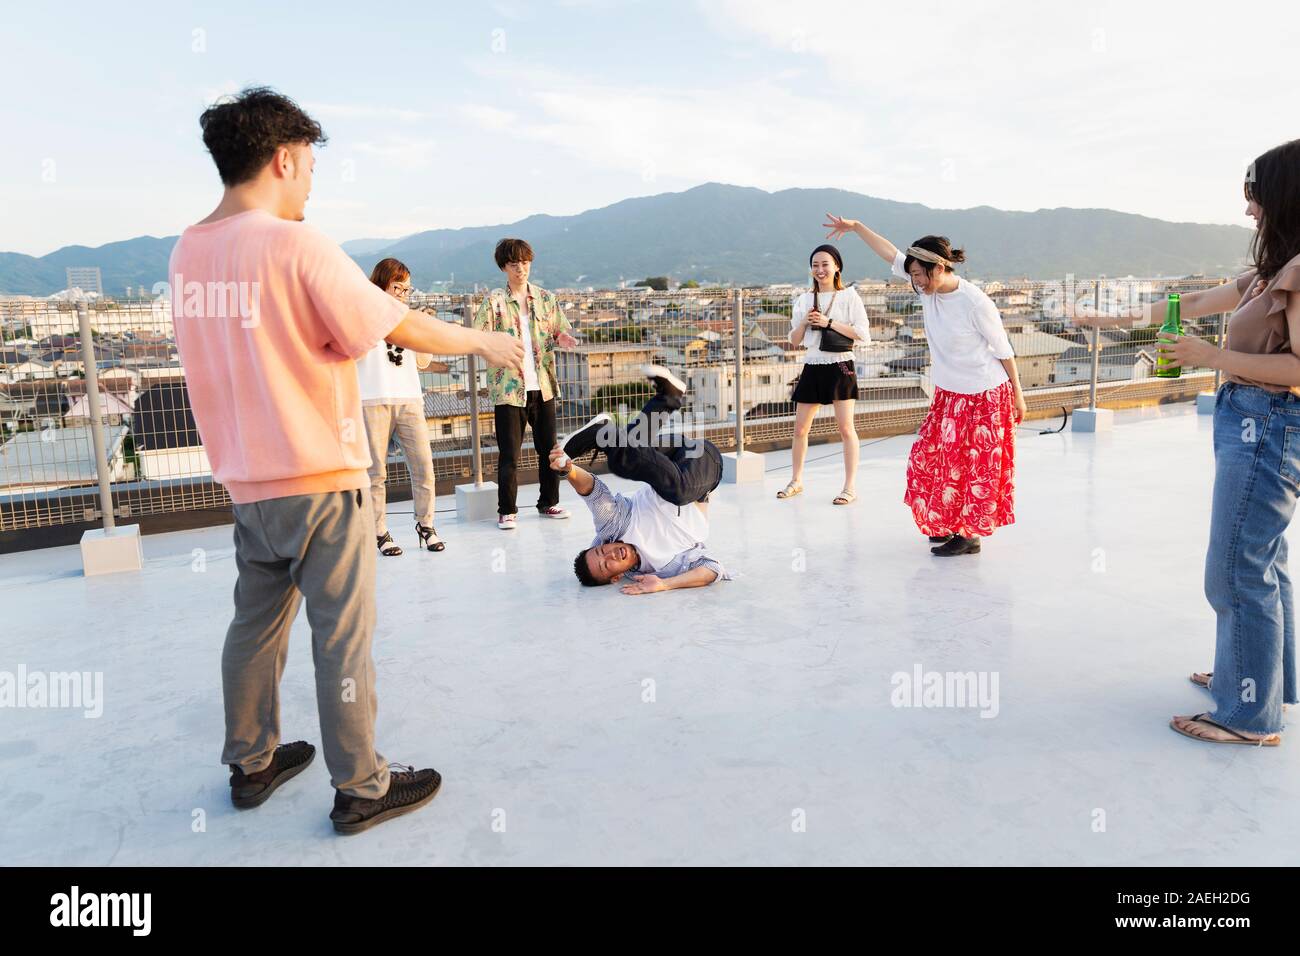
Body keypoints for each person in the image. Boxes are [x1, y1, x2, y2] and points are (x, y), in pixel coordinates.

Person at [169, 87, 523, 833]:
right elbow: (392, 323)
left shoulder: (187, 252)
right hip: (322, 481)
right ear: (283, 157)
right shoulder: (293, 243)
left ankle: (253, 761)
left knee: (254, 627)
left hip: (247, 484)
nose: (308, 187)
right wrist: (486, 342)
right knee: (342, 638)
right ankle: (362, 785)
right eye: (307, 171)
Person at [1075, 139, 1300, 746]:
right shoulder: (1274, 269)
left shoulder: (1299, 271)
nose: (1250, 211)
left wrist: (1210, 355)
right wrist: (1107, 320)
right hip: (1255, 420)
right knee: (1265, 560)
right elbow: (1192, 302)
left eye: (1255, 199)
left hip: (1270, 424)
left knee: (1234, 569)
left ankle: (1248, 717)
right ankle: (1264, 683)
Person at [825, 214, 1026, 556]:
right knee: (929, 457)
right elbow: (889, 253)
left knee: (971, 467)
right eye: (912, 274)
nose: (914, 280)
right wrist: (858, 227)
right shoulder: (926, 284)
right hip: (948, 392)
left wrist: (1018, 396)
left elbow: (1004, 350)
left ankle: (968, 535)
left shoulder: (975, 302)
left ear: (938, 269)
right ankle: (944, 522)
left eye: (919, 274)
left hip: (983, 393)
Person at [553, 366, 730, 594]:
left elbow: (593, 492)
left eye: (601, 551)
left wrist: (567, 471)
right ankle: (608, 434)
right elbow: (712, 569)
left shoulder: (616, 525)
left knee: (623, 459)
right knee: (678, 492)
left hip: (673, 451)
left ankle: (667, 397)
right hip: (702, 461)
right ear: (616, 577)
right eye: (607, 565)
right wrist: (665, 584)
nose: (610, 554)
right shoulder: (664, 568)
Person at [472, 238, 579, 530]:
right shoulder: (493, 302)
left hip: (543, 386)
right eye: (514, 263)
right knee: (510, 455)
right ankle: (507, 510)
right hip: (509, 389)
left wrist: (563, 338)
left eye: (525, 262)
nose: (521, 268)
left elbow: (558, 331)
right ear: (504, 267)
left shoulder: (546, 298)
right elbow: (477, 338)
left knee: (550, 451)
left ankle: (549, 503)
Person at [356, 257, 448, 556]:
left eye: (407, 289)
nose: (403, 294)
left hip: (409, 398)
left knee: (424, 467)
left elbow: (421, 362)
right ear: (382, 284)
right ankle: (379, 531)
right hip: (372, 399)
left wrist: (423, 329)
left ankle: (426, 525)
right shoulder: (361, 314)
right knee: (375, 474)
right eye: (398, 287)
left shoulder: (408, 316)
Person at [778, 243, 872, 505]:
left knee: (845, 428)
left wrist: (829, 323)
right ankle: (796, 480)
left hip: (841, 364)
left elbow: (863, 334)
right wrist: (806, 322)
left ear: (837, 267)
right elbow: (795, 340)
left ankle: (849, 487)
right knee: (800, 428)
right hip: (813, 365)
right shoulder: (804, 300)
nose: (820, 270)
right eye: (815, 265)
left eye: (825, 264)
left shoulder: (850, 296)